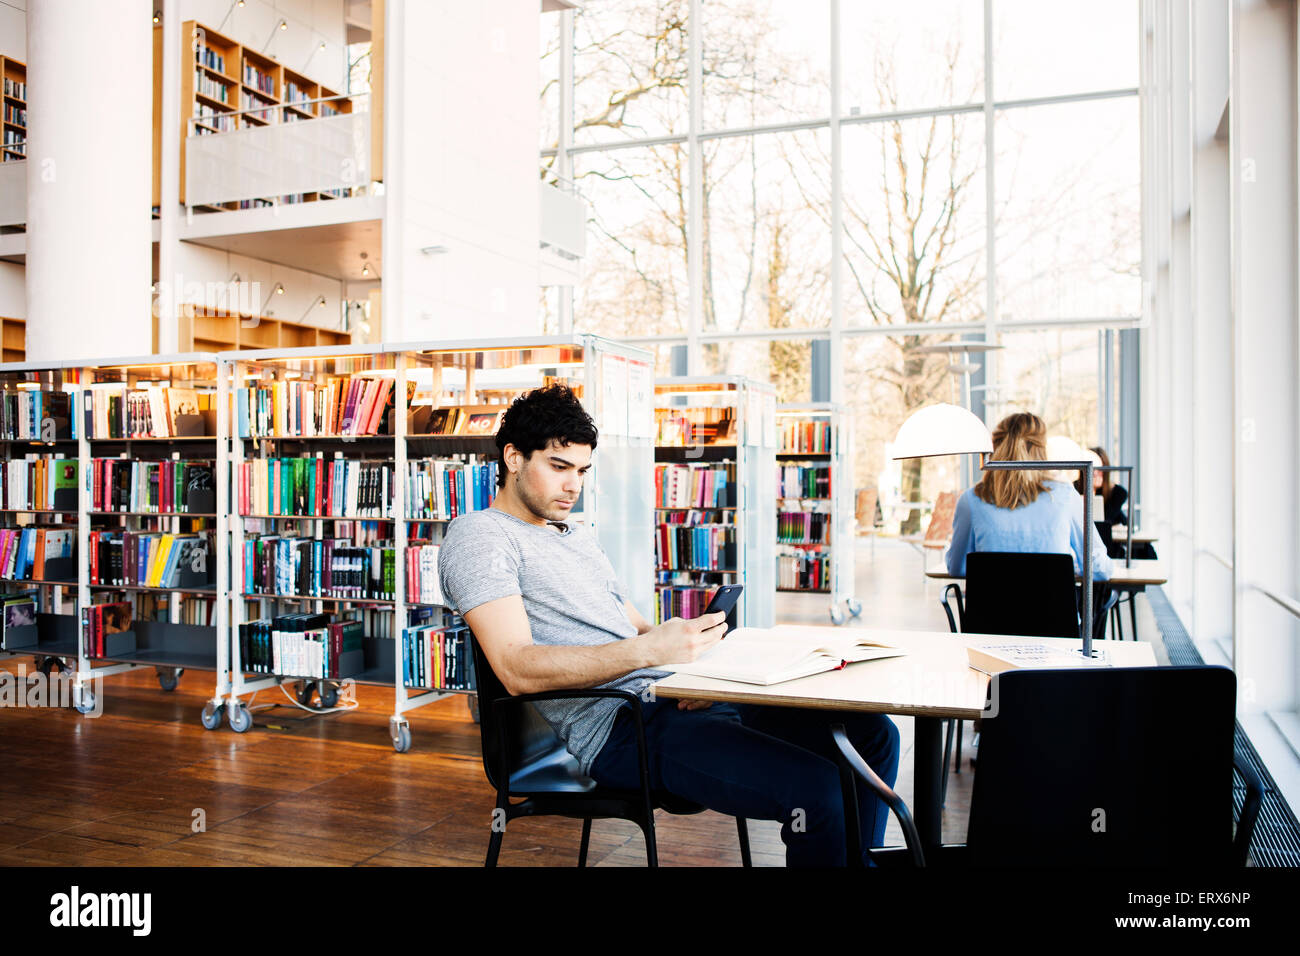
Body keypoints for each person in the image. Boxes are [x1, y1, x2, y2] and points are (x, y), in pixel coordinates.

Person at [438, 384, 899, 867]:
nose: (574, 486)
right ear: (513, 458)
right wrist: (651, 653)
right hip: (619, 727)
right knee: (817, 793)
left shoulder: (574, 535)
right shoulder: (480, 537)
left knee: (872, 735)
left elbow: (636, 629)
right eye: (559, 468)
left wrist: (697, 660)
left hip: (672, 697)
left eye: (583, 471)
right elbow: (517, 669)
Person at [946, 412, 1112, 582]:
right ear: (1041, 450)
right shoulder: (1065, 497)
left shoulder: (970, 501)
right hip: (1053, 608)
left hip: (992, 608)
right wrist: (1067, 565)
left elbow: (957, 567)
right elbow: (1099, 569)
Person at [1074, 446, 1157, 560]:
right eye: (1093, 470)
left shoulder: (1118, 492)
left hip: (1113, 546)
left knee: (1147, 550)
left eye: (1100, 469)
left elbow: (1103, 521)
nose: (1096, 474)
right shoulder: (1074, 489)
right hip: (1086, 544)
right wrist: (1090, 489)